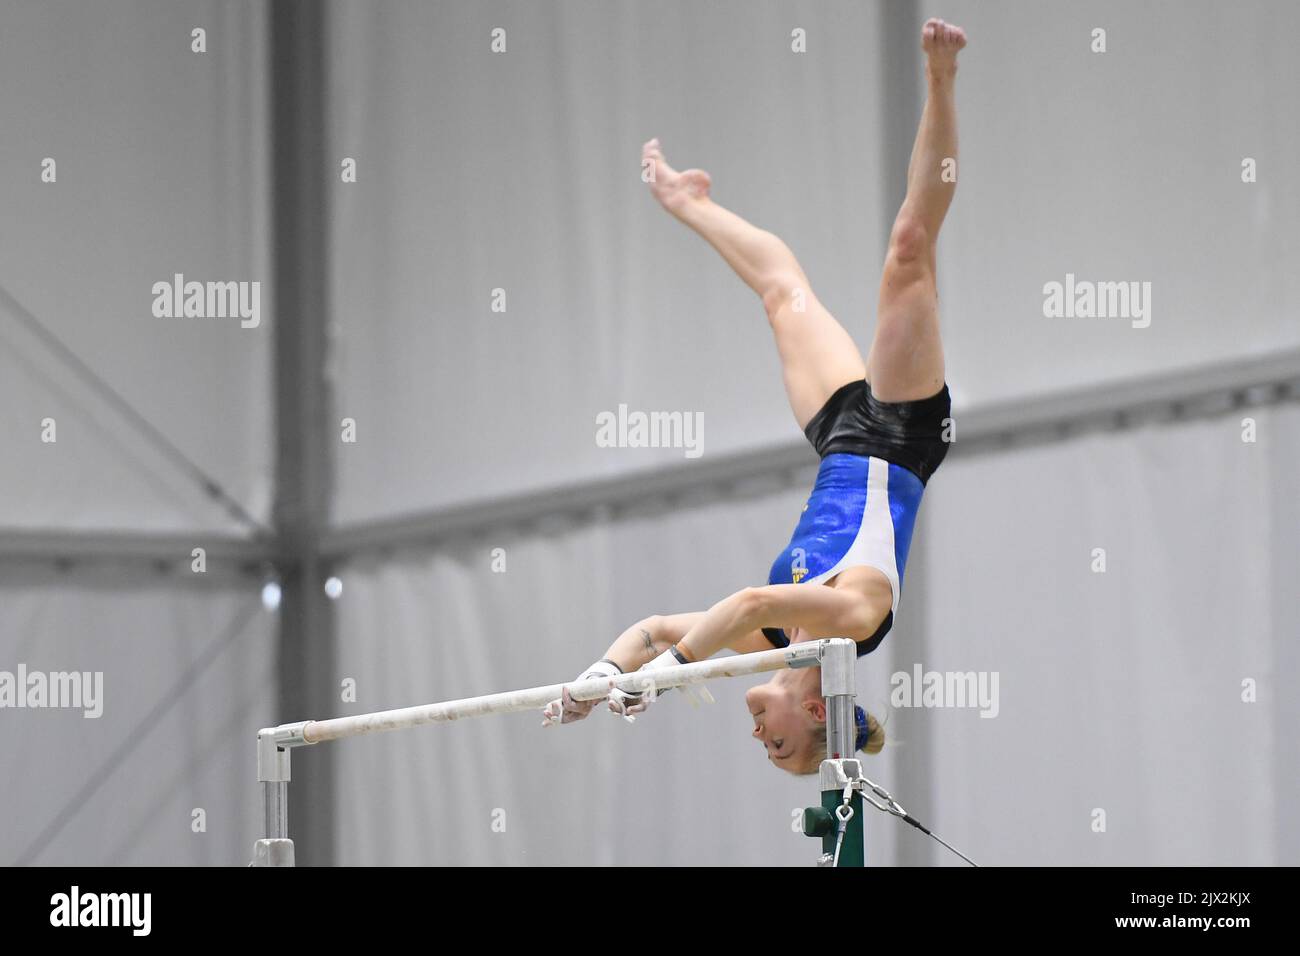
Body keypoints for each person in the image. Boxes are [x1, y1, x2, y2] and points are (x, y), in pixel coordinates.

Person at [544, 18, 967, 775]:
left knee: (781, 294)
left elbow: (650, 630)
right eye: (778, 745)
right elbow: (749, 603)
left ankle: (687, 200)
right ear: (814, 713)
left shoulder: (770, 646)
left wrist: (601, 678)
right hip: (902, 437)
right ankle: (941, 85)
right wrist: (672, 672)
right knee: (909, 252)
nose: (756, 739)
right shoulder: (855, 625)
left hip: (841, 438)